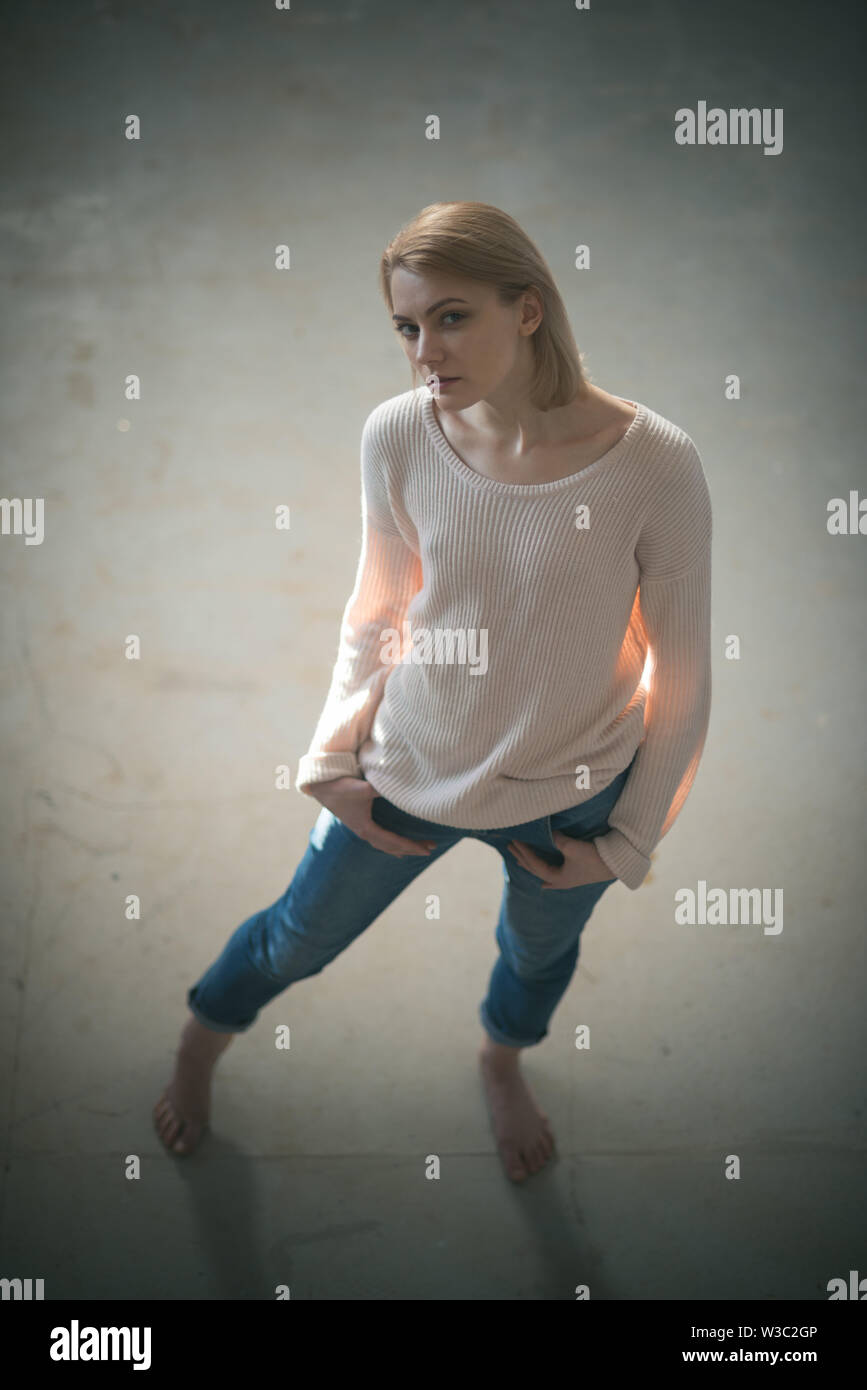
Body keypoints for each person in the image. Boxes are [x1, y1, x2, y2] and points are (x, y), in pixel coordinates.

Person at [154, 201, 712, 1182]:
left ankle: (501, 1061)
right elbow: (377, 609)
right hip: (408, 770)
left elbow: (689, 666)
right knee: (296, 936)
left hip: (573, 795)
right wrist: (332, 755)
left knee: (537, 960)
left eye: (452, 318)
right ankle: (200, 1039)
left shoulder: (655, 463)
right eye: (407, 326)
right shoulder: (398, 435)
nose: (424, 351)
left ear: (528, 310)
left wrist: (630, 842)